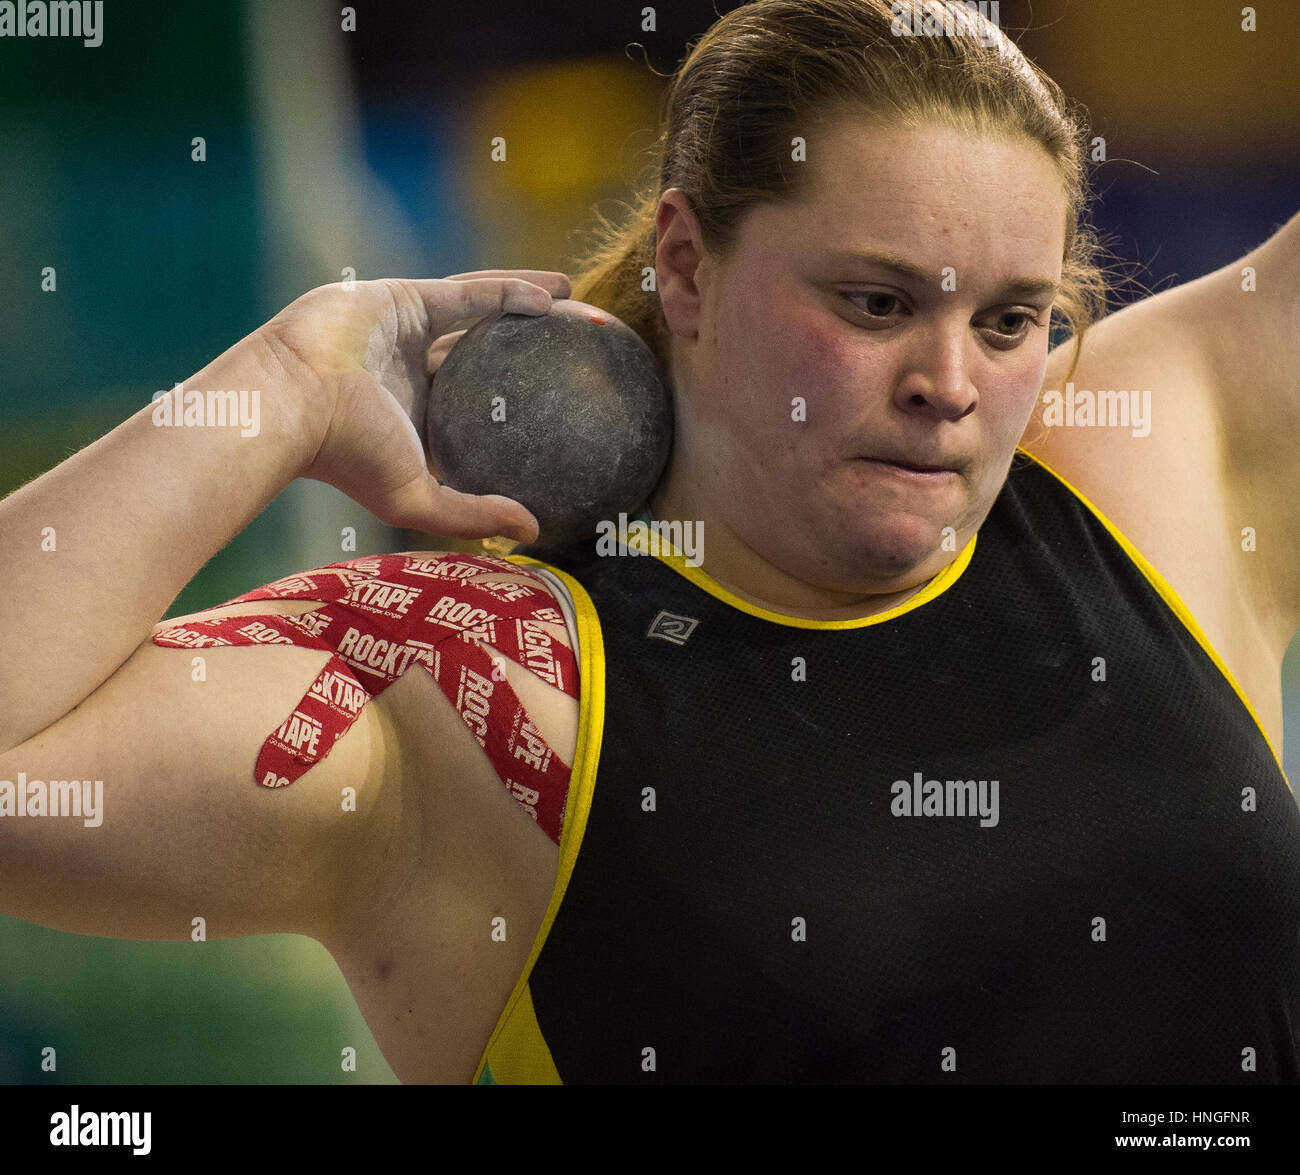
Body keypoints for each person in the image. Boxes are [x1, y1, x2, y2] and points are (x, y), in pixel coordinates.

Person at [1, 0, 1296, 1084]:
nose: (950, 382)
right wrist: (286, 383)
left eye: (1014, 321)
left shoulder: (1145, 478)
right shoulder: (493, 690)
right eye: (877, 302)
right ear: (687, 268)